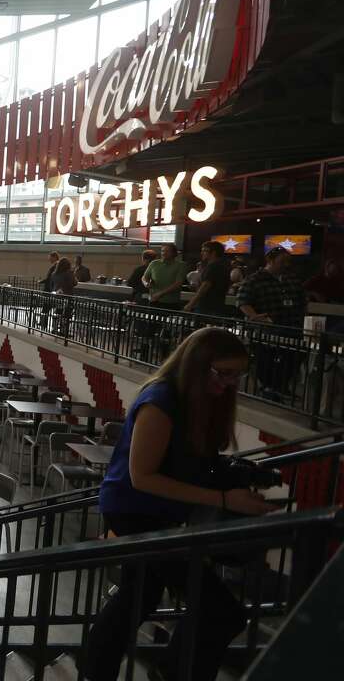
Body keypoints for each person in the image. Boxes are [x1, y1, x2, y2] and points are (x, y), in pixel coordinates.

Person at [85, 328, 275, 681]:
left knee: (137, 598)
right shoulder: (161, 400)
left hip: (157, 513)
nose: (232, 383)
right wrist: (222, 498)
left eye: (238, 374)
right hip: (134, 512)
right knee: (220, 609)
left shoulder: (198, 401)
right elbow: (142, 476)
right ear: (197, 366)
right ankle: (170, 671)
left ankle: (99, 671)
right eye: (224, 373)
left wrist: (235, 478)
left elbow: (190, 463)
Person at [237, 246, 307, 398]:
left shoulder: (292, 279)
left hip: (292, 326)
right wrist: (255, 316)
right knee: (267, 358)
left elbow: (302, 301)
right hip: (267, 328)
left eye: (288, 261)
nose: (286, 265)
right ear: (270, 260)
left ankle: (280, 386)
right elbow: (243, 301)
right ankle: (269, 387)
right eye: (282, 261)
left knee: (294, 356)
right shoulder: (254, 279)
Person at [185, 241, 232, 316]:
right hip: (217, 305)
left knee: (202, 327)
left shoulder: (213, 266)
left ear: (213, 253)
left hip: (207, 307)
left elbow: (205, 286)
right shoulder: (223, 265)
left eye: (204, 251)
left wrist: (190, 304)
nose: (202, 253)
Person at [143, 244, 184, 308]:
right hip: (153, 300)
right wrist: (146, 283)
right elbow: (144, 277)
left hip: (171, 302)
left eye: (167, 251)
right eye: (162, 251)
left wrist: (160, 294)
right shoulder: (154, 263)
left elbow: (178, 284)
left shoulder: (180, 265)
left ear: (174, 253)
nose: (164, 253)